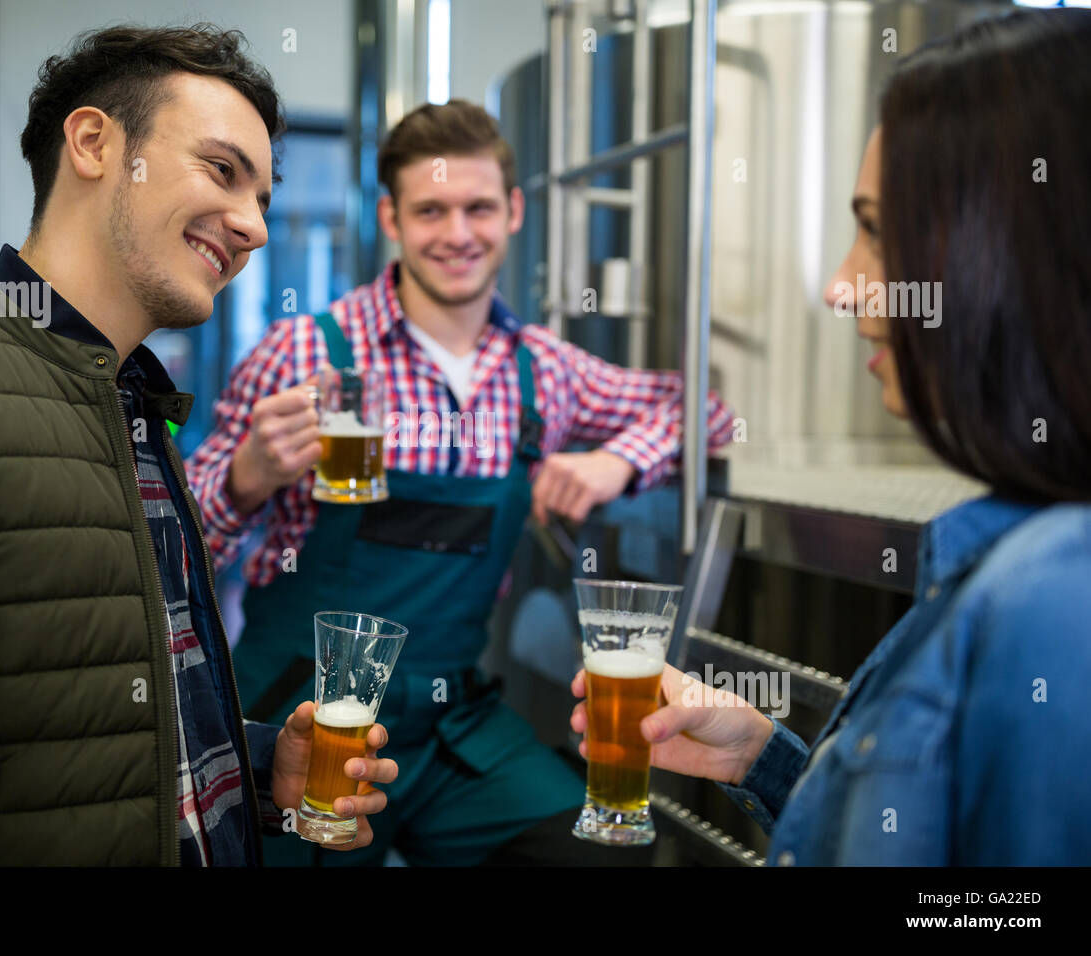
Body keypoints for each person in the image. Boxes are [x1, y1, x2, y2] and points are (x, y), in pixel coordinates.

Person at [0, 24, 397, 866]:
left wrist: (260, 769)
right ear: (92, 143)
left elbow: (91, 715)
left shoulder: (138, 406)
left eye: (264, 196)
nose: (255, 227)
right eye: (223, 171)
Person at [569, 6, 1091, 865]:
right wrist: (760, 757)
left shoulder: (1054, 598)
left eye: (878, 234)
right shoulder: (998, 550)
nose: (841, 289)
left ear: (1019, 249)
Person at [185, 99, 736, 866]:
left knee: (596, 854)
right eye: (430, 209)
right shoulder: (302, 350)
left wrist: (618, 460)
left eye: (478, 207)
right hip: (301, 721)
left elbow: (703, 414)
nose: (456, 233)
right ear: (390, 217)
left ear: (513, 211)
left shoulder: (547, 370)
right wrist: (246, 477)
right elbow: (173, 550)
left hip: (453, 731)